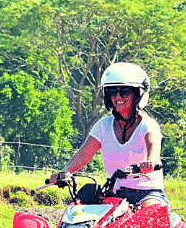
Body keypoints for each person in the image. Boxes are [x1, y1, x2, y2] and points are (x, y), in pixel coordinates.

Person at [50, 62, 169, 209]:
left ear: (137, 95)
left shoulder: (148, 125)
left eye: (124, 92)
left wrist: (150, 161)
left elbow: (153, 146)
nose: (118, 97)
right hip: (116, 193)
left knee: (150, 212)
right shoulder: (103, 125)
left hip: (148, 193)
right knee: (84, 211)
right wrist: (65, 172)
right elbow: (84, 154)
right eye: (113, 92)